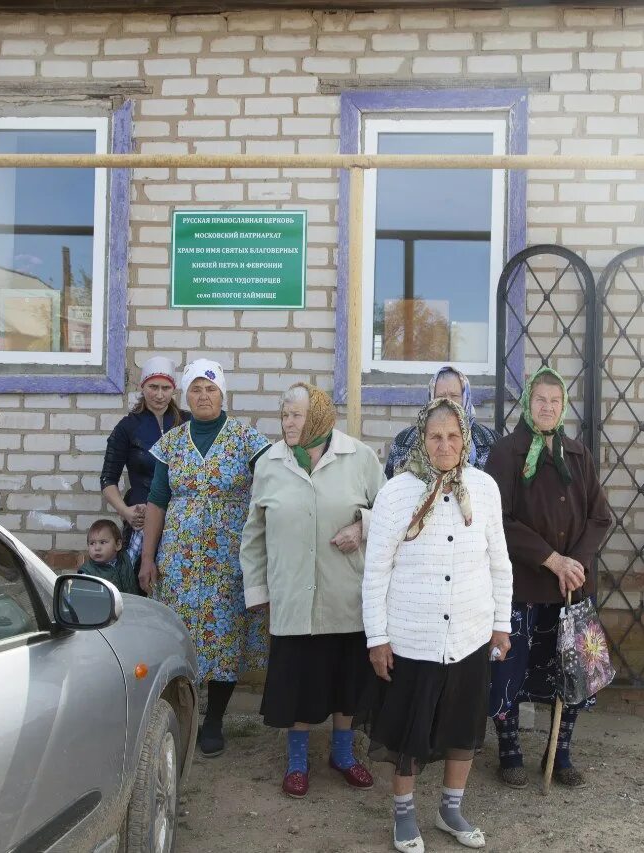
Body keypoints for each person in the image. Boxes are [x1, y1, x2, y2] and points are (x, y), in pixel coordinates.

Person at [357, 399, 513, 853]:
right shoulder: (397, 492)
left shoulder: (483, 488)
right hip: (412, 637)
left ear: (465, 439)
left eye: (453, 436)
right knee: (410, 730)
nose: (444, 445)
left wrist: (501, 624)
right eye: (435, 436)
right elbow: (376, 570)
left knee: (463, 726)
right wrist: (377, 638)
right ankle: (404, 814)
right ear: (422, 440)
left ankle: (450, 809)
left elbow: (499, 562)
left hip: (469, 633)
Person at [241, 382, 385, 798]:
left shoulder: (359, 457)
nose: (288, 423)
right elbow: (254, 534)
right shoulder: (270, 463)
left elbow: (391, 512)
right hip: (292, 594)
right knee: (297, 680)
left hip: (345, 591)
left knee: (345, 681)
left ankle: (343, 753)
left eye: (297, 415)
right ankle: (297, 760)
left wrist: (361, 527)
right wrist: (258, 590)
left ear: (318, 417)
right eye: (285, 415)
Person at [483, 365, 613, 790]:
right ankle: (510, 752)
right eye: (540, 399)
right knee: (509, 670)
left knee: (573, 671)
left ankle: (561, 752)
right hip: (521, 586)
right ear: (527, 403)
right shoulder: (506, 453)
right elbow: (498, 521)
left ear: (563, 407)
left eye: (555, 401)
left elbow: (600, 516)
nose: (547, 408)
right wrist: (551, 559)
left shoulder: (577, 454)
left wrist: (575, 563)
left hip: (570, 590)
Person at [139, 358, 271, 758]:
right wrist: (147, 558)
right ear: (185, 396)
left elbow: (272, 491)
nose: (203, 396)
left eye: (210, 389)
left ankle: (214, 720)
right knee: (180, 633)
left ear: (222, 393)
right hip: (178, 559)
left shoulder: (247, 440)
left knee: (225, 635)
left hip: (229, 559)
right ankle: (185, 714)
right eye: (195, 389)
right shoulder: (173, 443)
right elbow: (157, 500)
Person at [101, 355, 184, 559]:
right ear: (142, 386)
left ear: (173, 389)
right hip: (142, 517)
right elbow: (108, 479)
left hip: (181, 518)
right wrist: (126, 512)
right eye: (153, 387)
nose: (159, 394)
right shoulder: (128, 427)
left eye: (166, 388)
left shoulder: (187, 424)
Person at [384, 366, 498, 478]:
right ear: (431, 398)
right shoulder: (404, 441)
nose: (448, 402)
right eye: (441, 396)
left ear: (465, 398)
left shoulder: (490, 441)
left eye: (454, 395)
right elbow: (391, 483)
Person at [78, 518, 140, 595]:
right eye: (92, 543)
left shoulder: (127, 559)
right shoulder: (86, 573)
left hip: (132, 602)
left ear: (118, 545)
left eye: (103, 542)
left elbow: (139, 538)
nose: (97, 548)